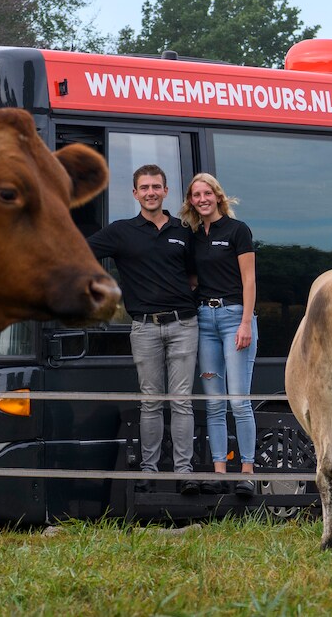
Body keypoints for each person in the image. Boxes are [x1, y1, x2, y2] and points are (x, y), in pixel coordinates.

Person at [87, 164, 201, 495]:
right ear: (135, 194)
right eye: (144, 187)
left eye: (156, 186)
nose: (150, 192)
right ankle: (149, 470)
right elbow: (81, 252)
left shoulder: (184, 230)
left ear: (166, 192)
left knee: (181, 401)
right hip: (144, 328)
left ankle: (184, 471)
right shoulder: (120, 231)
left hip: (183, 324)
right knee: (150, 401)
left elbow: (195, 276)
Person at [179, 173, 258, 498]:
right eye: (196, 195)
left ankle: (247, 473)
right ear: (191, 201)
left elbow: (249, 280)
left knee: (238, 401)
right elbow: (194, 279)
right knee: (214, 403)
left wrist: (244, 323)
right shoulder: (194, 236)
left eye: (206, 193)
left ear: (218, 196)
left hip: (234, 320)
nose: (202, 199)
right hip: (205, 321)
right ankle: (219, 471)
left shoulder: (238, 231)